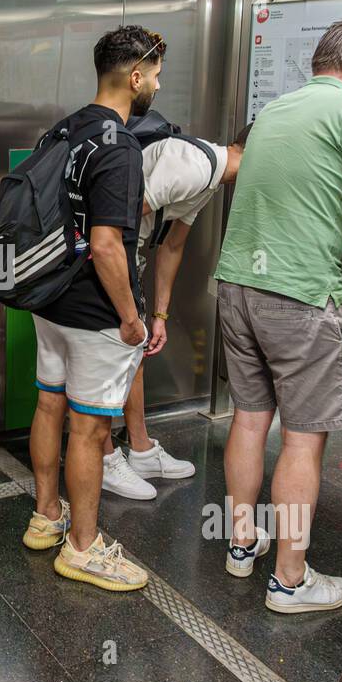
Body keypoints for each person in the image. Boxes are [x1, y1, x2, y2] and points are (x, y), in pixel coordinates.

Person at [213, 17, 342, 613]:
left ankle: (242, 545)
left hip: (238, 285)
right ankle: (290, 580)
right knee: (302, 440)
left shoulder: (273, 110)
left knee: (248, 418)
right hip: (299, 295)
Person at [22, 25, 161, 592]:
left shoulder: (65, 128)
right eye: (153, 75)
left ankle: (45, 515)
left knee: (49, 405)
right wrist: (131, 317)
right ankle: (81, 547)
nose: (154, 84)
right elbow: (106, 244)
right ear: (134, 76)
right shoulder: (120, 145)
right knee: (88, 429)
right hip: (94, 313)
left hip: (48, 299)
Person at [101, 120, 252, 500]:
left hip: (127, 257)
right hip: (110, 259)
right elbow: (118, 223)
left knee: (131, 353)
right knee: (108, 357)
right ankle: (103, 458)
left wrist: (160, 316)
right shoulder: (195, 166)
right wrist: (126, 302)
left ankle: (140, 449)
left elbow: (172, 245)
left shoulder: (210, 175)